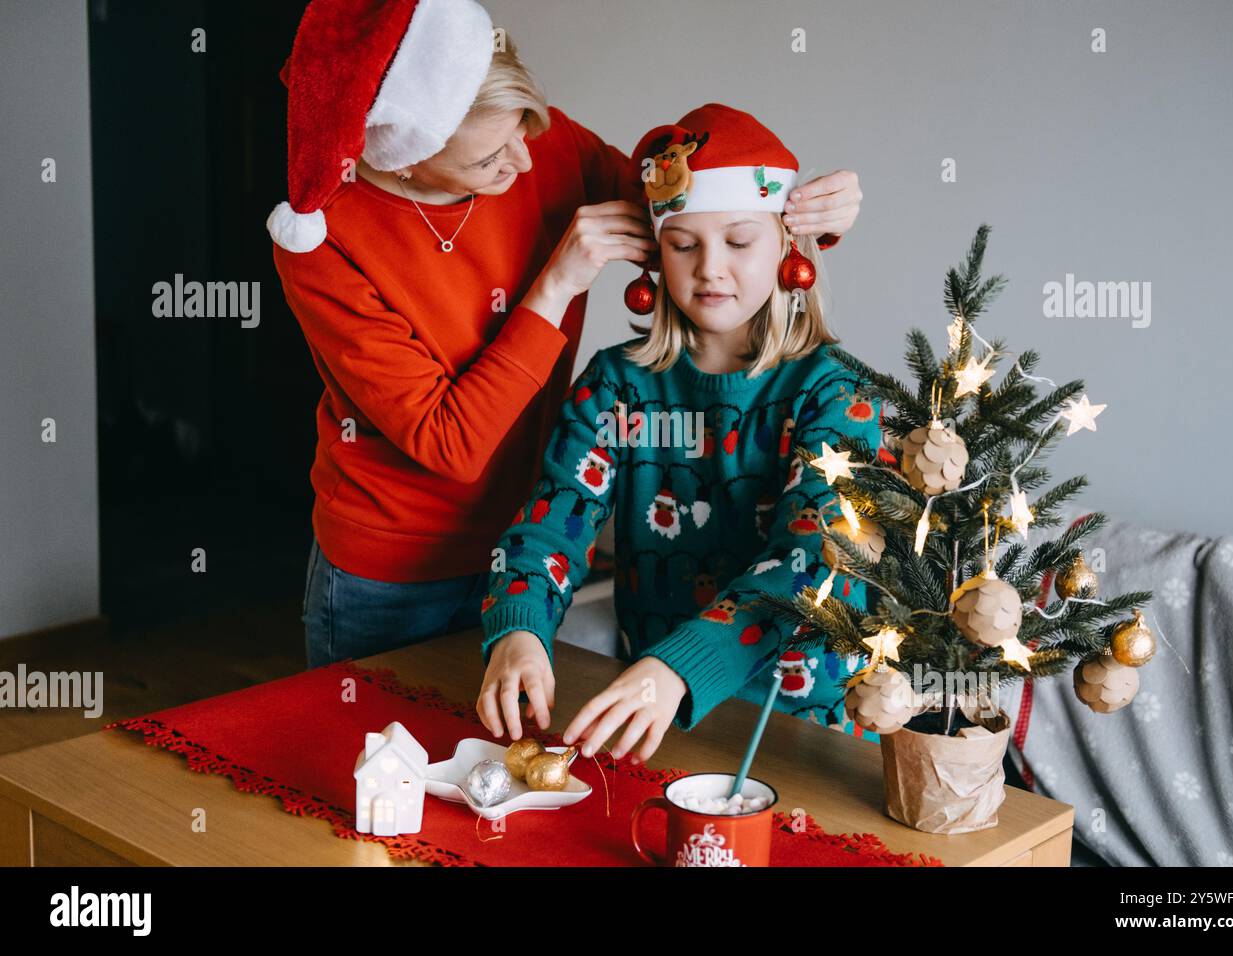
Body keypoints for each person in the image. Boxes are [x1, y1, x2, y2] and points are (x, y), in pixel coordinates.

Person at [268, 0, 865, 669]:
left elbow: (690, 219)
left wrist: (808, 219)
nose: (527, 161)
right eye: (492, 157)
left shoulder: (541, 146)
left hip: (525, 551)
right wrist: (554, 285)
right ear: (406, 159)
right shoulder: (323, 242)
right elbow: (451, 444)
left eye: (528, 125)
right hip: (391, 573)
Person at [476, 104, 883, 765]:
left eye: (739, 241)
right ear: (655, 255)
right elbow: (550, 527)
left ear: (786, 242)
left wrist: (678, 669)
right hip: (659, 726)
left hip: (810, 735)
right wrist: (519, 631)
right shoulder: (616, 384)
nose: (710, 270)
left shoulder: (839, 393)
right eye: (684, 244)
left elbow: (816, 564)